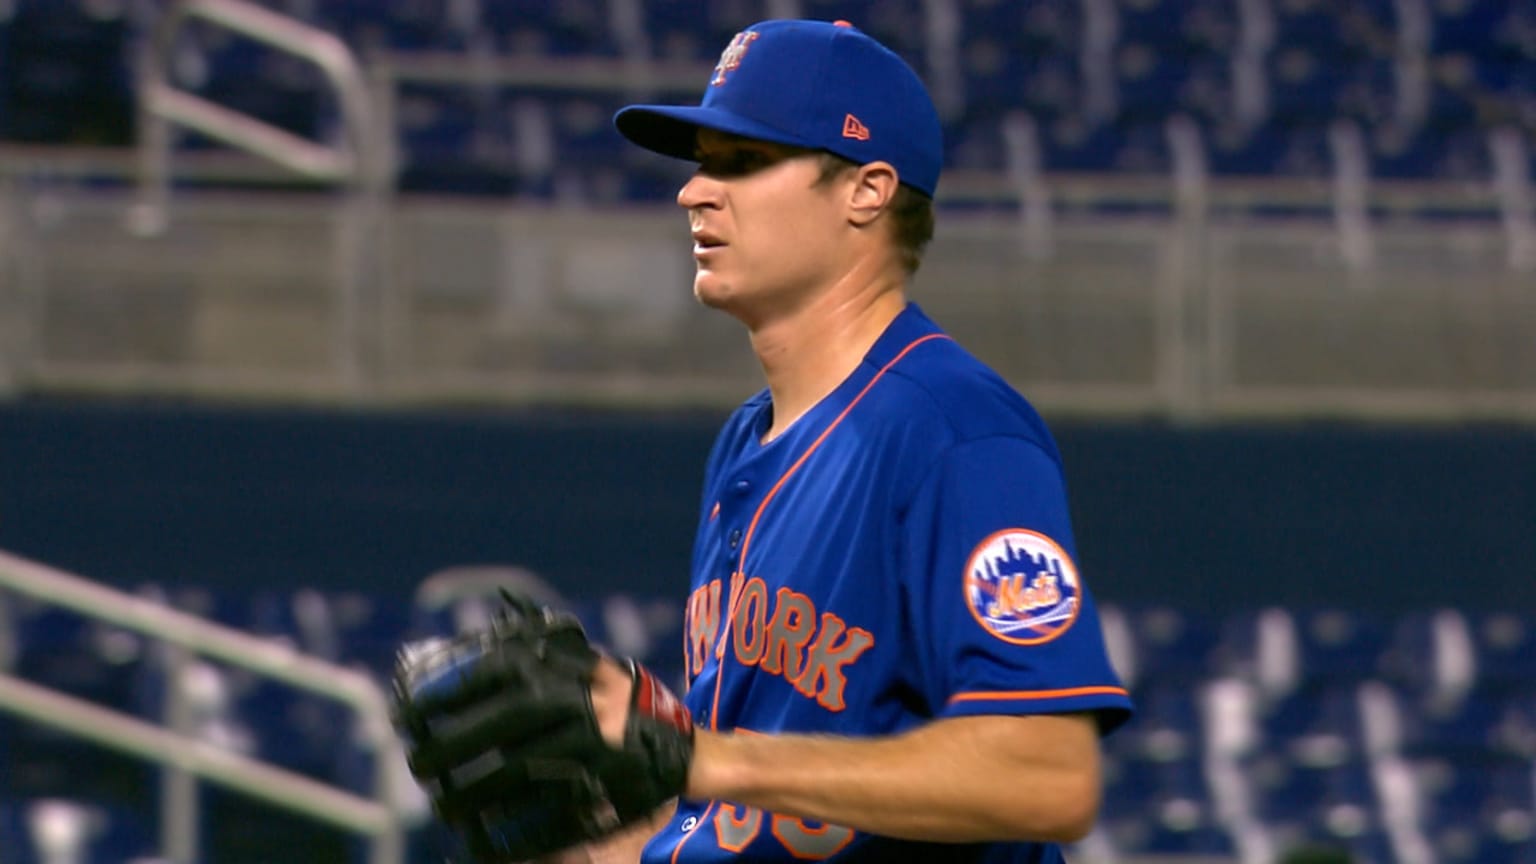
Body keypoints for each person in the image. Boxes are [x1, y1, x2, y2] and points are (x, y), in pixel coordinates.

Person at [581, 18, 1134, 863]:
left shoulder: (953, 429)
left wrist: (704, 758)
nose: (694, 191)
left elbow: (1047, 778)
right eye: (700, 163)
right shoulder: (745, 438)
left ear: (867, 191)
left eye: (743, 161)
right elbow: (754, 821)